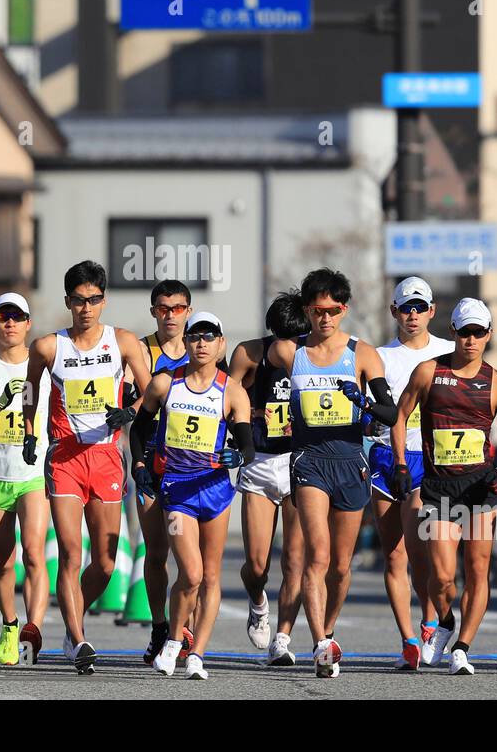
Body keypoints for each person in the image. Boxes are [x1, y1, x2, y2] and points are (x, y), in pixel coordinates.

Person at [265, 268, 400, 679]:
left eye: (334, 310)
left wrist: (363, 401)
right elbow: (253, 359)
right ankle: (321, 643)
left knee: (342, 565)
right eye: (318, 310)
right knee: (317, 555)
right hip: (309, 460)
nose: (326, 318)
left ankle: (328, 628)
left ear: (344, 309)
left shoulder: (362, 353)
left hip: (350, 462)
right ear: (307, 310)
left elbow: (391, 412)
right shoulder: (289, 352)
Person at [23, 260, 153, 674]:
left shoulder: (124, 342)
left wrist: (129, 411)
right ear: (68, 302)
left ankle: (70, 615)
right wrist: (29, 431)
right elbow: (29, 389)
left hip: (106, 457)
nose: (86, 308)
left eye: (94, 300)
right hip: (64, 457)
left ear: (103, 300)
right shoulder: (47, 347)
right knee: (70, 553)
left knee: (107, 562)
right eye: (79, 301)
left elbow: (152, 392)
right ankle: (78, 639)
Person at [393, 298, 497, 676]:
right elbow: (399, 418)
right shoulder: (428, 371)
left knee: (478, 569)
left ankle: (462, 647)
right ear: (453, 333)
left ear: (488, 336)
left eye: (478, 332)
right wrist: (400, 463)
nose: (470, 339)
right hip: (438, 488)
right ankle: (445, 620)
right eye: (464, 332)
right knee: (442, 575)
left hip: (480, 487)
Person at [130, 312, 253, 680]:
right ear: (185, 343)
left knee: (211, 576)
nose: (201, 343)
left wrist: (238, 455)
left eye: (209, 336)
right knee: (192, 572)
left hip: (215, 489)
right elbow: (139, 430)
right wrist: (139, 466)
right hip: (177, 488)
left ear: (221, 344)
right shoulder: (165, 384)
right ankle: (172, 640)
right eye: (195, 336)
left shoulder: (232, 390)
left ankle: (197, 653)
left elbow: (246, 444)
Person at [371, 276, 454, 670]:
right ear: (394, 312)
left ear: (433, 311)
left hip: (429, 460)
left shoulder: (450, 351)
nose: (413, 315)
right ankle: (407, 639)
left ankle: (429, 622)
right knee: (393, 555)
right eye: (406, 308)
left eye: (420, 307)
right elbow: (373, 414)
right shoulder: (381, 357)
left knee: (422, 551)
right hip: (387, 456)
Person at [229, 290, 310, 666]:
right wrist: (252, 413)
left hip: (298, 461)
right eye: (282, 336)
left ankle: (283, 637)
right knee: (257, 565)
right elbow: (226, 399)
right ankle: (258, 602)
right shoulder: (248, 352)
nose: (288, 345)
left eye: (295, 337)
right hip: (260, 461)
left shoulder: (315, 356)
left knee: (294, 559)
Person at [0, 292, 51, 665]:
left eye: (17, 317)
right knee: (4, 559)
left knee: (34, 553)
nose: (10, 323)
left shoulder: (44, 366)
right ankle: (8, 623)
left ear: (28, 323)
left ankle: (32, 627)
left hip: (33, 473)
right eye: (3, 316)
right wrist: (0, 403)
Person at [132, 280, 194, 664]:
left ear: (188, 310)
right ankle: (159, 627)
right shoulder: (142, 350)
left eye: (177, 308)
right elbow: (130, 398)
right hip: (152, 460)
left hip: (192, 464)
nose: (170, 315)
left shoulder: (204, 346)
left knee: (194, 560)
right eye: (163, 308)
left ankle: (184, 632)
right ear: (153, 311)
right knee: (156, 552)